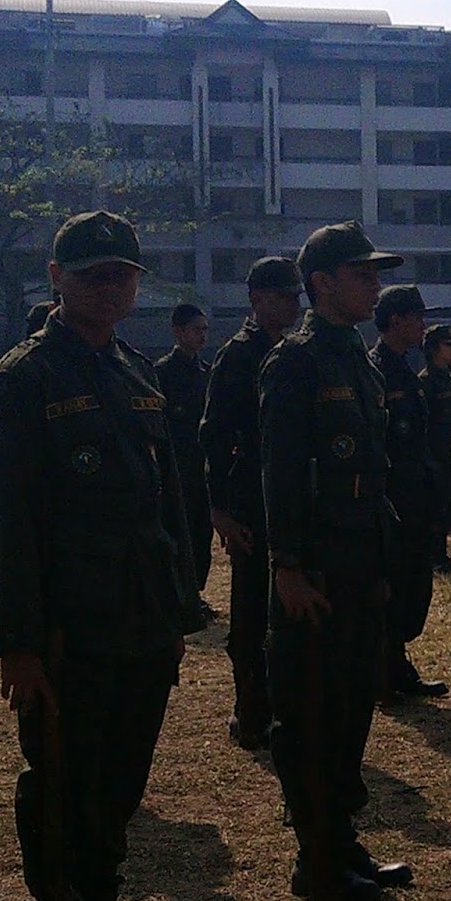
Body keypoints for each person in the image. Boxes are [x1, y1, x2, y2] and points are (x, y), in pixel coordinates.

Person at [0, 212, 196, 901]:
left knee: (118, 788)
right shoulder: (24, 380)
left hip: (139, 620)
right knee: (67, 790)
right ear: (56, 279)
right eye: (92, 274)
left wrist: (178, 607)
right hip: (71, 631)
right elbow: (12, 525)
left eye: (121, 275)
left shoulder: (135, 371)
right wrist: (20, 644)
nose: (109, 287)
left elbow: (166, 505)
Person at [259, 222, 410, 901]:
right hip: (316, 566)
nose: (374, 286)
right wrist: (287, 565)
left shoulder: (357, 357)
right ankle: (315, 858)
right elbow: (282, 472)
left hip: (359, 559)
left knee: (350, 704)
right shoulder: (296, 361)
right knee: (312, 710)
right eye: (362, 274)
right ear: (322, 283)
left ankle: (341, 839)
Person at [201, 257, 303, 751]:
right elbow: (214, 436)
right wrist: (219, 510)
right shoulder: (238, 356)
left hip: (287, 498)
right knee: (250, 614)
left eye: (295, 296)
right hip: (248, 501)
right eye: (283, 296)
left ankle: (283, 705)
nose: (293, 305)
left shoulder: (294, 353)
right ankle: (251, 711)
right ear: (256, 298)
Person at [369, 284, 448, 701]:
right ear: (396, 320)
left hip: (416, 497)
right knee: (390, 589)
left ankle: (396, 665)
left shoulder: (405, 371)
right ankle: (382, 673)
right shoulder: (375, 371)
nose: (423, 326)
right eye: (417, 317)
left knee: (413, 586)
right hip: (391, 500)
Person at [156, 303, 214, 624]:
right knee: (179, 532)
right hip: (175, 468)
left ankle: (195, 593)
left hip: (202, 467)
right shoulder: (162, 373)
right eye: (196, 330)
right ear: (178, 332)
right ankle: (178, 595)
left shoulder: (206, 373)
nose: (202, 336)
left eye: (205, 330)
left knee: (201, 532)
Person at [422, 323, 451, 573]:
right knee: (436, 507)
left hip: (450, 452)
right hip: (436, 453)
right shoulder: (426, 381)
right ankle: (436, 557)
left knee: (447, 503)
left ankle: (441, 556)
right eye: (449, 346)